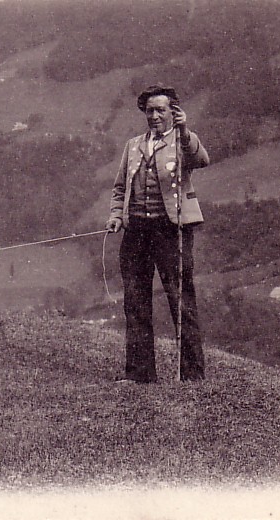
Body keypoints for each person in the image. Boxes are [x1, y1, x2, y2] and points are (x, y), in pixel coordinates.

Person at [106, 84, 209, 383]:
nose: (154, 116)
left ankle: (192, 375)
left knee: (181, 300)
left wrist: (185, 129)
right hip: (136, 231)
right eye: (149, 110)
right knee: (135, 301)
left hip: (170, 231)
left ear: (172, 112)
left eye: (160, 110)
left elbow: (201, 159)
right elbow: (120, 187)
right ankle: (140, 374)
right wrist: (116, 215)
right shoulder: (133, 145)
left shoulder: (184, 141)